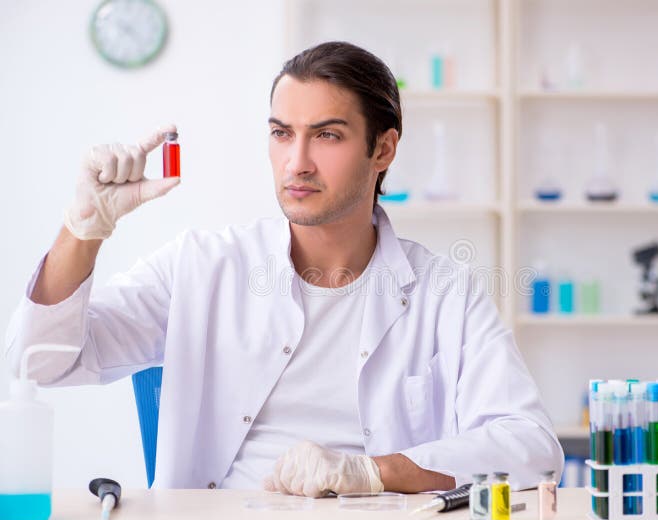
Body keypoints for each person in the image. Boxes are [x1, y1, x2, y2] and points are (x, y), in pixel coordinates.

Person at [5, 41, 563, 496]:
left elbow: (532, 448)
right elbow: (41, 365)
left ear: (383, 149)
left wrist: (374, 472)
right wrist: (82, 231)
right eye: (281, 134)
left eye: (327, 135)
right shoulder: (204, 266)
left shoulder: (446, 291)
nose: (297, 162)